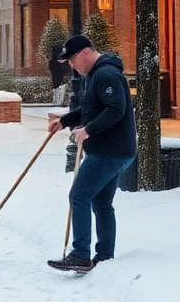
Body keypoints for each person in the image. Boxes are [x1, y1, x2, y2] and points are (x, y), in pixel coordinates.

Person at [46, 35, 137, 273]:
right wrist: (65, 121)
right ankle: (104, 256)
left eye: (72, 60)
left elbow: (116, 110)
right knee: (101, 202)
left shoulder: (106, 74)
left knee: (79, 196)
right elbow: (89, 109)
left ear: (85, 54)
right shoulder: (93, 75)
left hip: (110, 150)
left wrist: (88, 130)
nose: (71, 66)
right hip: (115, 150)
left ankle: (80, 255)